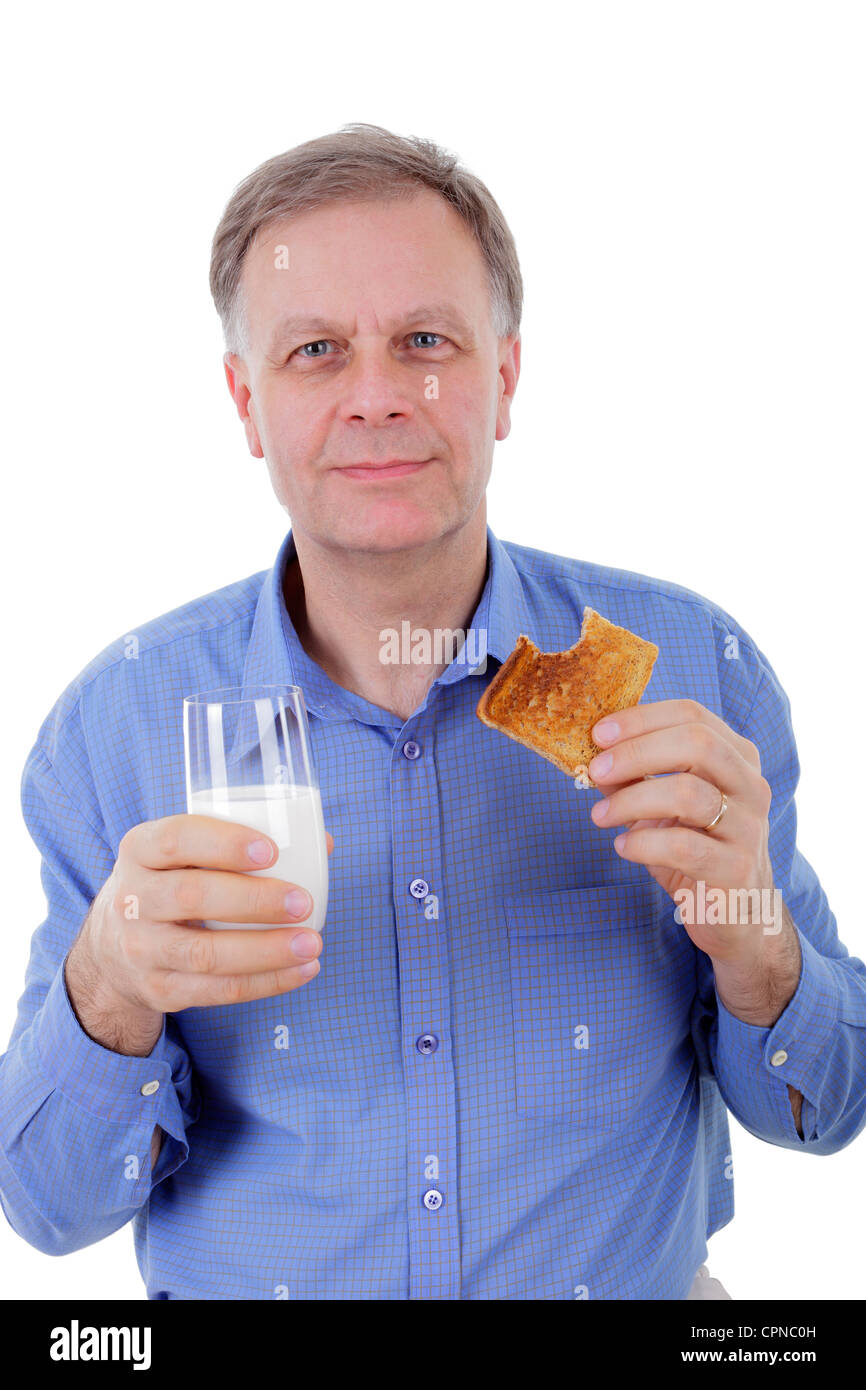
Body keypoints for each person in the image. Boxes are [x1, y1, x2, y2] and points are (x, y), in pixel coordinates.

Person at [2, 124, 864, 1301]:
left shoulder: (689, 674)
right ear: (244, 402)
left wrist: (757, 946)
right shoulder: (116, 732)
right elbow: (46, 1210)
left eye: (423, 341)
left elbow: (826, 1116)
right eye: (313, 351)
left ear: (502, 377)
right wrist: (106, 989)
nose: (375, 398)